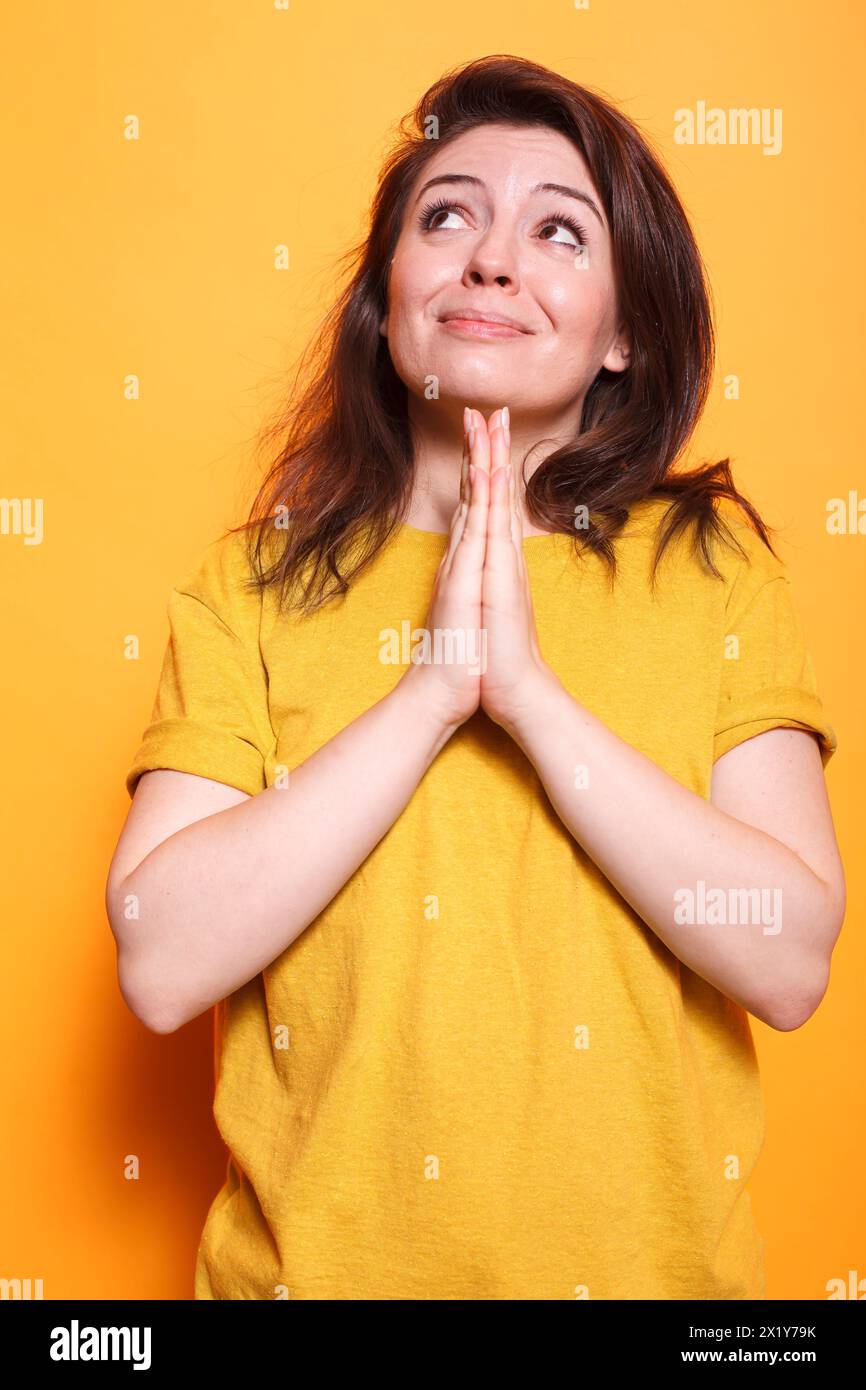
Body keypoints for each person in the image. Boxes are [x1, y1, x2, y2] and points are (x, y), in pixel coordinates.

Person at [105, 55, 845, 1301]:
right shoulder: (256, 583)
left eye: (558, 229)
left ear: (622, 334)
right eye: (445, 215)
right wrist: (432, 693)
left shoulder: (710, 572)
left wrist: (533, 700)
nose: (490, 258)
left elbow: (786, 962)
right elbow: (160, 961)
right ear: (386, 301)